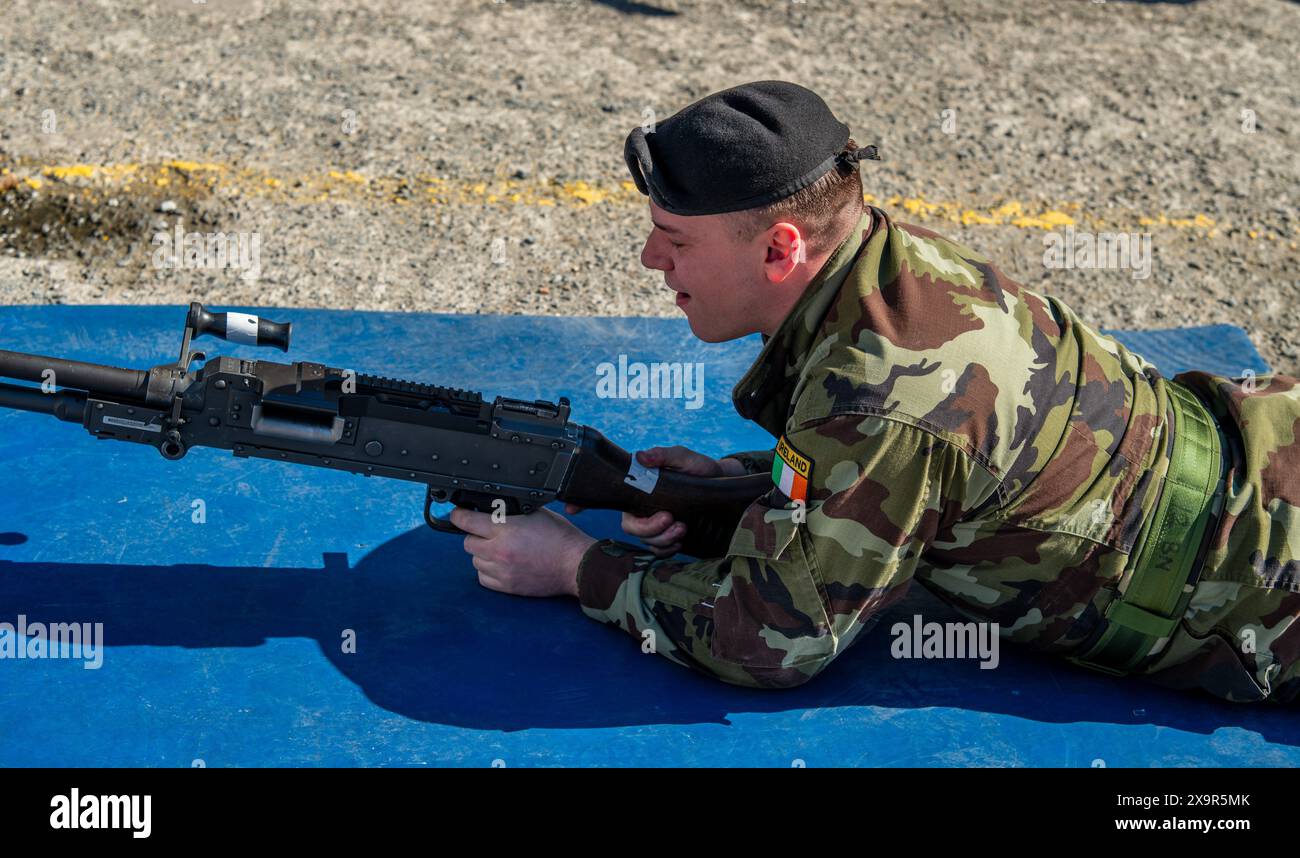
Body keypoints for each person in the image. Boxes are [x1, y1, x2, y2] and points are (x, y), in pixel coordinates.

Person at [451, 80, 1300, 703]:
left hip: (1271, 586)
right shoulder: (890, 263)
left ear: (780, 250)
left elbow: (773, 641)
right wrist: (738, 488)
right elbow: (927, 472)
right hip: (1262, 447)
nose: (650, 261)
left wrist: (575, 567)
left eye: (673, 240)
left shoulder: (881, 395)